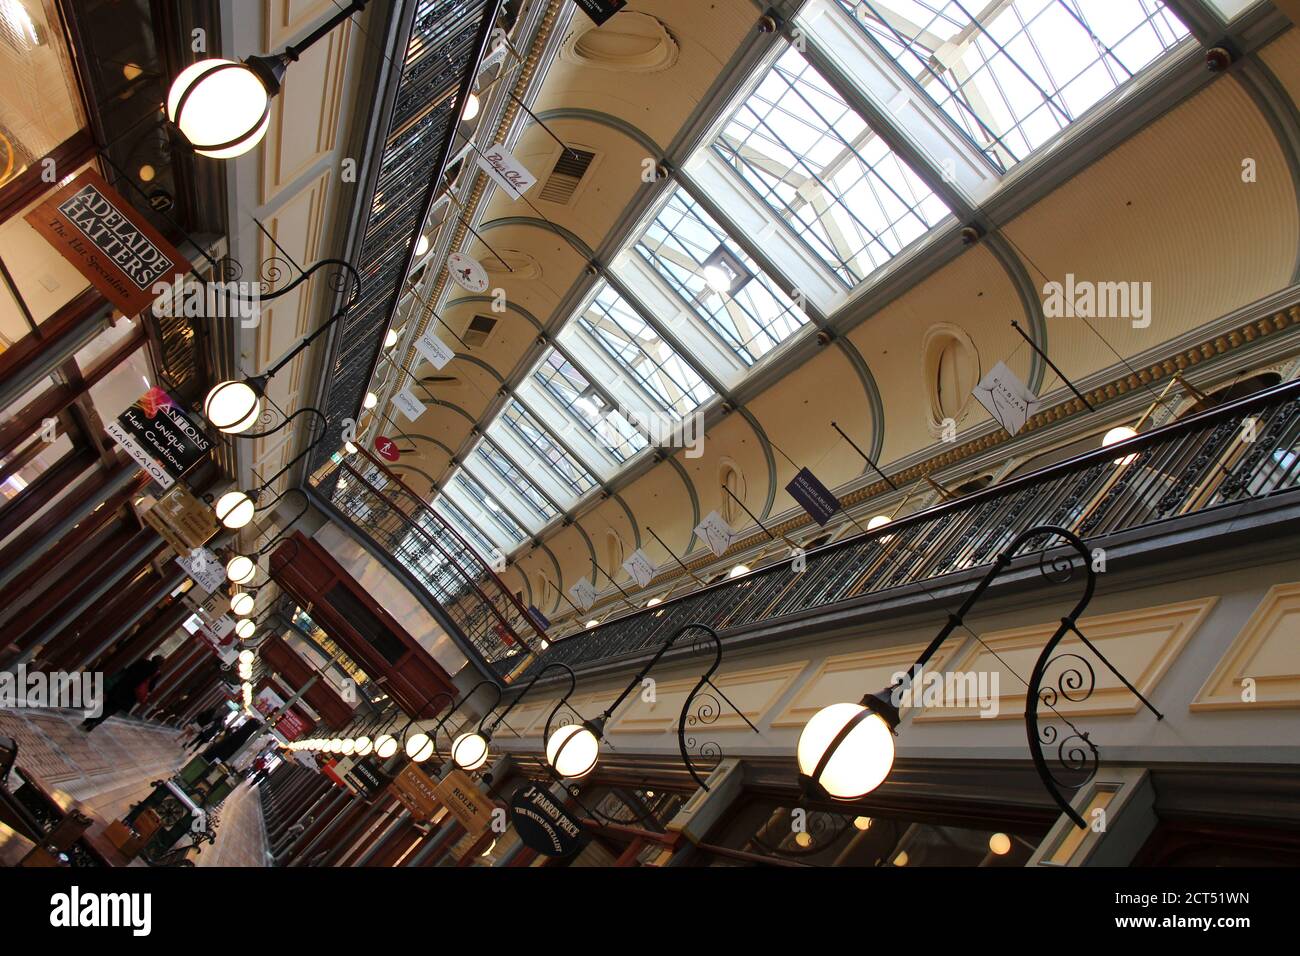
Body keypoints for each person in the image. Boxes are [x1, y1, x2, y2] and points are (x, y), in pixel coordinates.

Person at [80, 655, 164, 733]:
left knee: (106, 704)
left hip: (122, 686)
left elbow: (127, 670)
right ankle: (96, 723)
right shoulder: (156, 673)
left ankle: (88, 721)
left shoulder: (142, 662)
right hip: (131, 695)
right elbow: (150, 687)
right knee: (112, 710)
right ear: (160, 664)